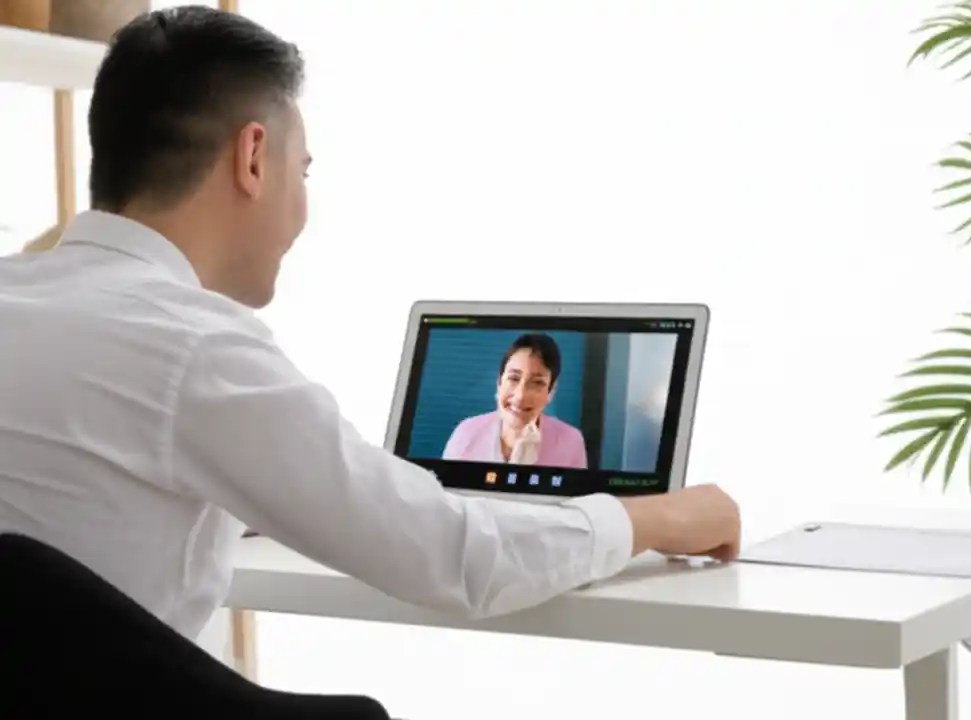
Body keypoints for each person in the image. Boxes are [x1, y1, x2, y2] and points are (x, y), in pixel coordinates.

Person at [0, 5, 739, 649]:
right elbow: (457, 558)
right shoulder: (196, 349)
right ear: (254, 158)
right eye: (305, 170)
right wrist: (664, 517)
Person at [442, 333, 589, 468]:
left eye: (537, 383)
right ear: (499, 383)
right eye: (513, 378)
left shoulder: (570, 442)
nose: (520, 395)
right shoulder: (467, 433)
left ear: (550, 391)